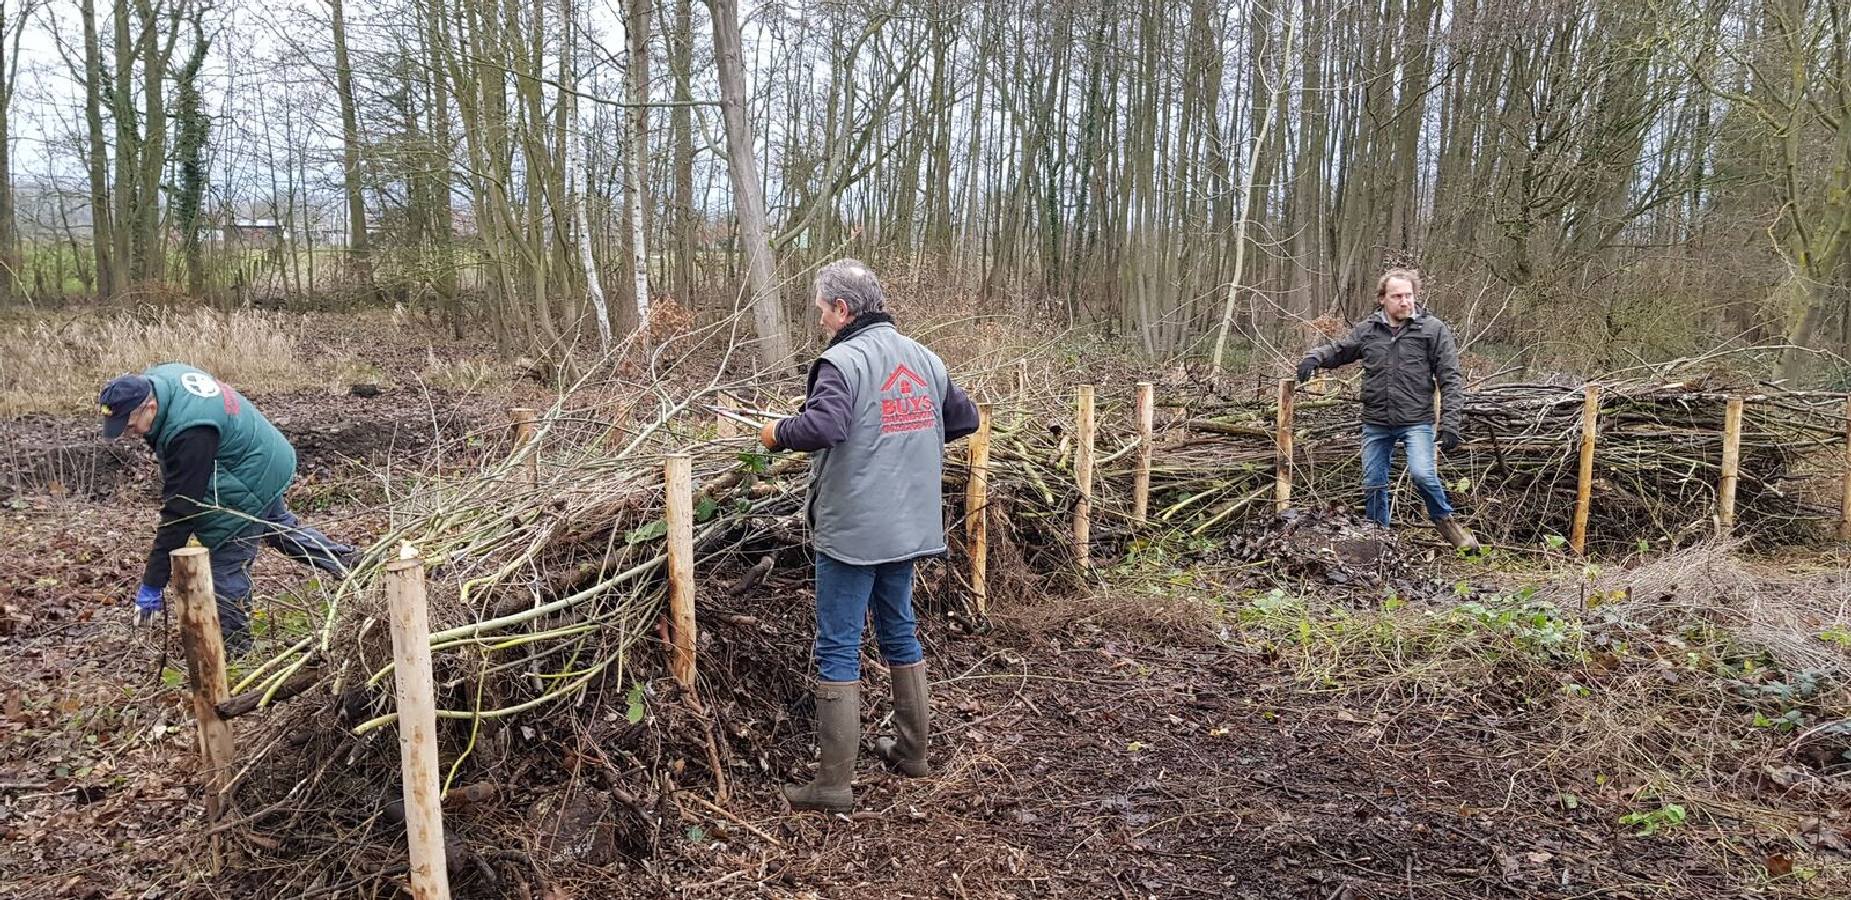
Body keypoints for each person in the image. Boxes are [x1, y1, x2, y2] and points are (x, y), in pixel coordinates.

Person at [758, 259, 981, 812]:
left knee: (838, 645)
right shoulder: (923, 357)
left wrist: (776, 432)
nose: (820, 321)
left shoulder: (841, 361)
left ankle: (832, 786)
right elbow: (964, 418)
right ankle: (912, 755)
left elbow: (824, 427)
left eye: (821, 311)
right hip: (907, 525)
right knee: (899, 632)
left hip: (855, 530)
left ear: (843, 309)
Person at [98, 364, 355, 653]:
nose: (128, 434)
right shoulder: (160, 379)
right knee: (279, 527)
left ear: (151, 406)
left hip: (247, 472)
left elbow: (182, 509)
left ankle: (238, 653)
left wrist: (153, 581)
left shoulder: (190, 432)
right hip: (261, 455)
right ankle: (353, 564)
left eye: (130, 426)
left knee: (225, 564)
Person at [1296, 268, 1479, 551]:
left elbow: (1450, 377)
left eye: (1409, 295)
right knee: (1374, 483)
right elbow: (1341, 349)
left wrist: (1450, 422)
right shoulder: (1370, 329)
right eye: (1397, 296)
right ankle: (1379, 540)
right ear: (1382, 299)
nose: (1405, 302)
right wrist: (1315, 357)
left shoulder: (1432, 330)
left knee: (1422, 473)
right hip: (1376, 420)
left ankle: (1448, 525)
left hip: (1416, 419)